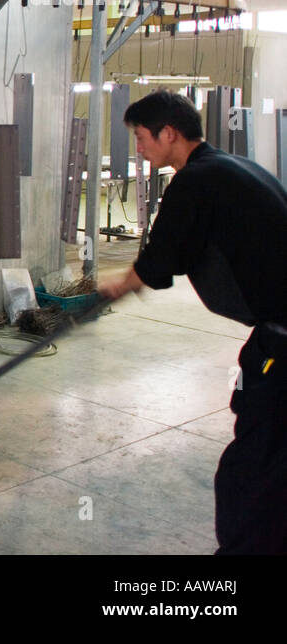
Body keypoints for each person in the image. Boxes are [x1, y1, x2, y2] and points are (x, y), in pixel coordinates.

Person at [98, 89, 287, 554]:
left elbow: (160, 261)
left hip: (282, 344)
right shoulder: (234, 166)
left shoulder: (194, 182)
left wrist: (115, 289)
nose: (138, 149)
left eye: (141, 138)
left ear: (169, 133)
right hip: (274, 332)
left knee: (254, 463)